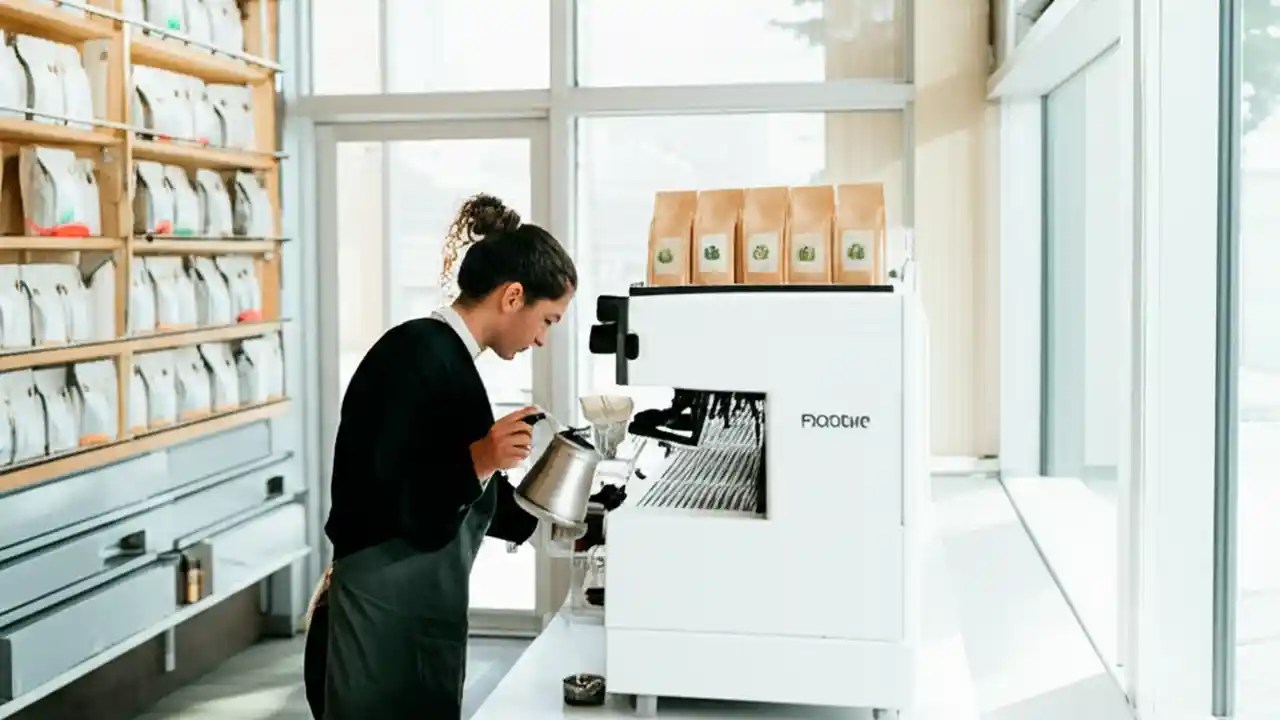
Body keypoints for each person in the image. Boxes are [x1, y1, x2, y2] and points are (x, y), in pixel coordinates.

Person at [303, 194, 578, 719]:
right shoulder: (412, 355)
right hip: (382, 609)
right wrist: (481, 457)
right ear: (513, 296)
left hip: (419, 608)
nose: (542, 339)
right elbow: (392, 498)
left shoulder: (449, 361)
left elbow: (477, 500)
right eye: (548, 320)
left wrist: (573, 524)